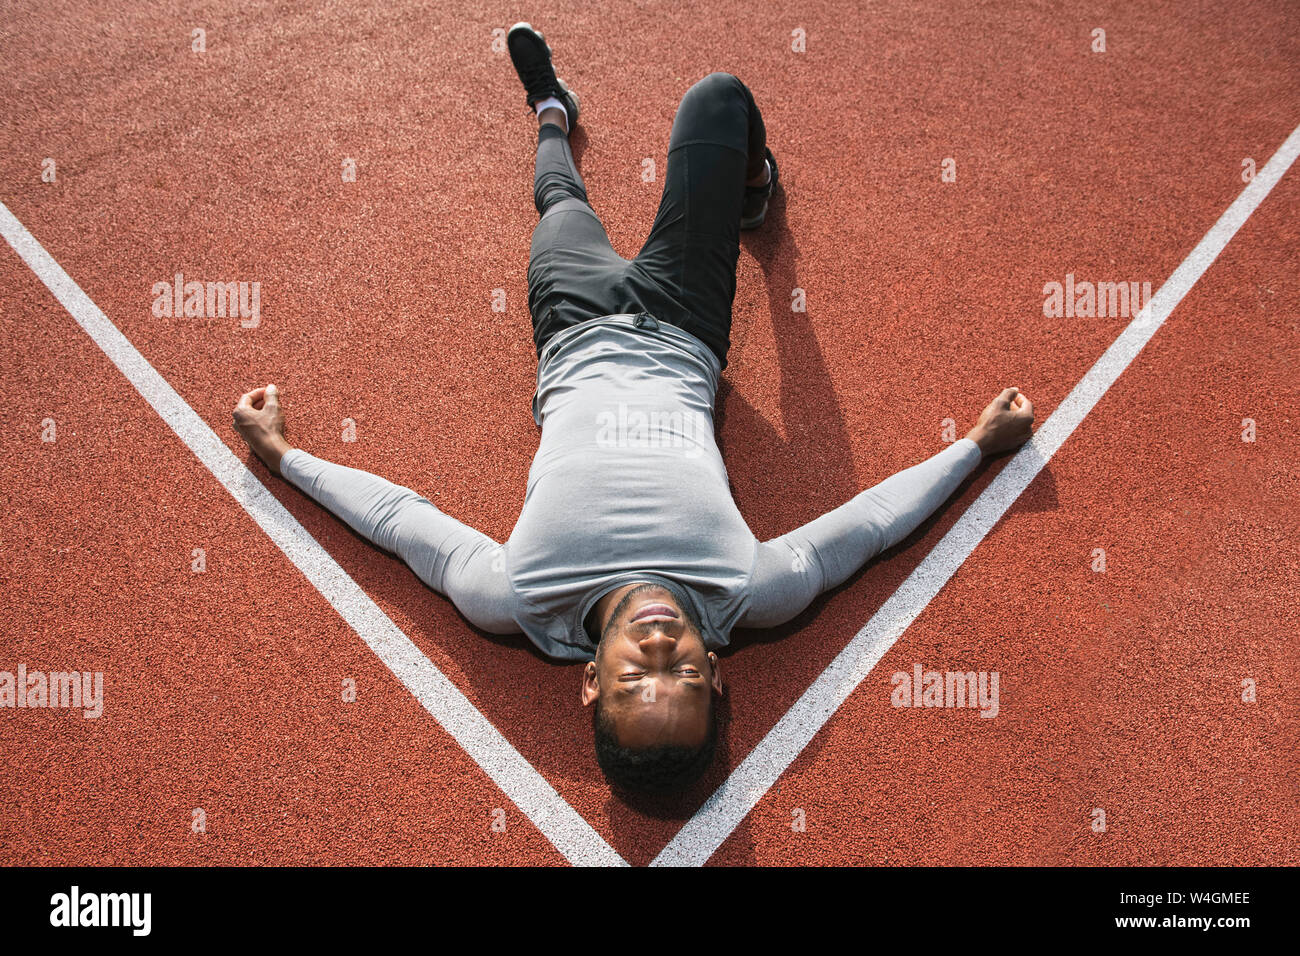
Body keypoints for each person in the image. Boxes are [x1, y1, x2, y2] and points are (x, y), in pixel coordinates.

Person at [231, 22, 1034, 796]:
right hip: (685, 320)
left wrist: (283, 455)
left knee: (560, 208)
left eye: (634, 675)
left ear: (589, 682)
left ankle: (552, 113)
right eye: (682, 671)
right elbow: (870, 525)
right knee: (719, 99)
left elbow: (401, 523)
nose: (658, 645)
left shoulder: (516, 597)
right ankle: (754, 190)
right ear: (716, 673)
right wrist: (973, 446)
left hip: (572, 326)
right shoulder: (748, 589)